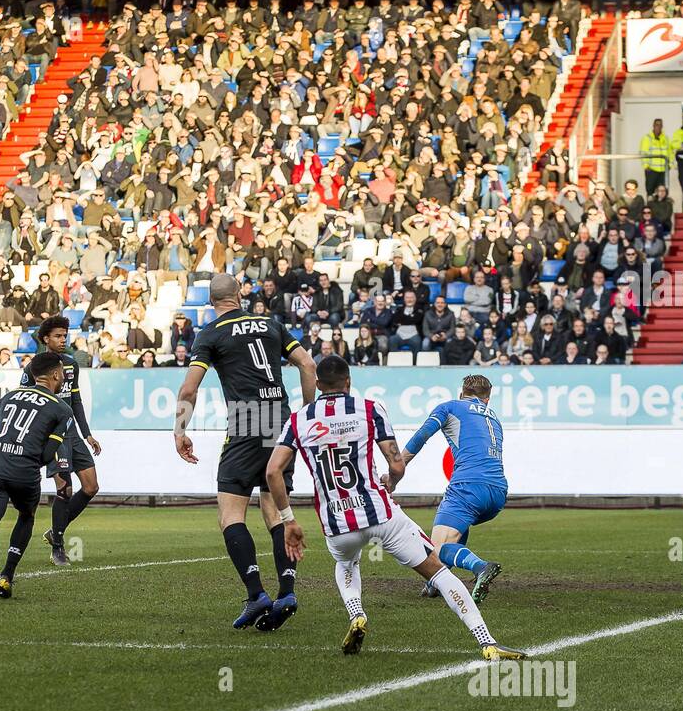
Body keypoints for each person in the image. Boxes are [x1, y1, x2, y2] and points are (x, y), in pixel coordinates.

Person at [264, 355, 524, 660]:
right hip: (382, 513)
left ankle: (357, 614)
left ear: (317, 384)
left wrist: (288, 520)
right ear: (349, 382)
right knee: (438, 572)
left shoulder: (298, 420)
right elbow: (396, 463)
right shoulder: (370, 408)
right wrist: (393, 481)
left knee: (347, 564)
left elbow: (272, 472)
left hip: (337, 522)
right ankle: (486, 641)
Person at [174, 273, 317, 630]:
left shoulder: (211, 333)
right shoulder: (272, 325)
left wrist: (180, 430)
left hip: (245, 422)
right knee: (275, 508)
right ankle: (286, 591)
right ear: (240, 295)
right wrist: (309, 414)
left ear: (211, 303)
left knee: (230, 514)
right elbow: (309, 365)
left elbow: (190, 389)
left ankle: (256, 595)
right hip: (280, 421)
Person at [0, 353, 76, 605]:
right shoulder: (62, 409)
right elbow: (46, 454)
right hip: (25, 473)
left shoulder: (7, 397)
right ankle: (7, 574)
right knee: (26, 516)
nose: (63, 377)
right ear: (54, 375)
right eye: (62, 373)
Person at [399, 374, 508, 604]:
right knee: (456, 530)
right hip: (498, 492)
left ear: (461, 394)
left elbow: (422, 435)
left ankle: (480, 567)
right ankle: (436, 583)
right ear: (487, 400)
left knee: (434, 551)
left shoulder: (450, 407)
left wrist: (396, 468)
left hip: (468, 486)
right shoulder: (494, 418)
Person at [21, 316, 101, 566]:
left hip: (73, 434)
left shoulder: (70, 364)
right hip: (52, 437)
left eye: (65, 335)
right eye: (57, 335)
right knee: (64, 490)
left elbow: (75, 400)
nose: (62, 339)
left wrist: (87, 433)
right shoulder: (33, 368)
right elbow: (25, 401)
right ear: (45, 338)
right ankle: (58, 547)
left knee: (90, 487)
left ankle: (54, 531)